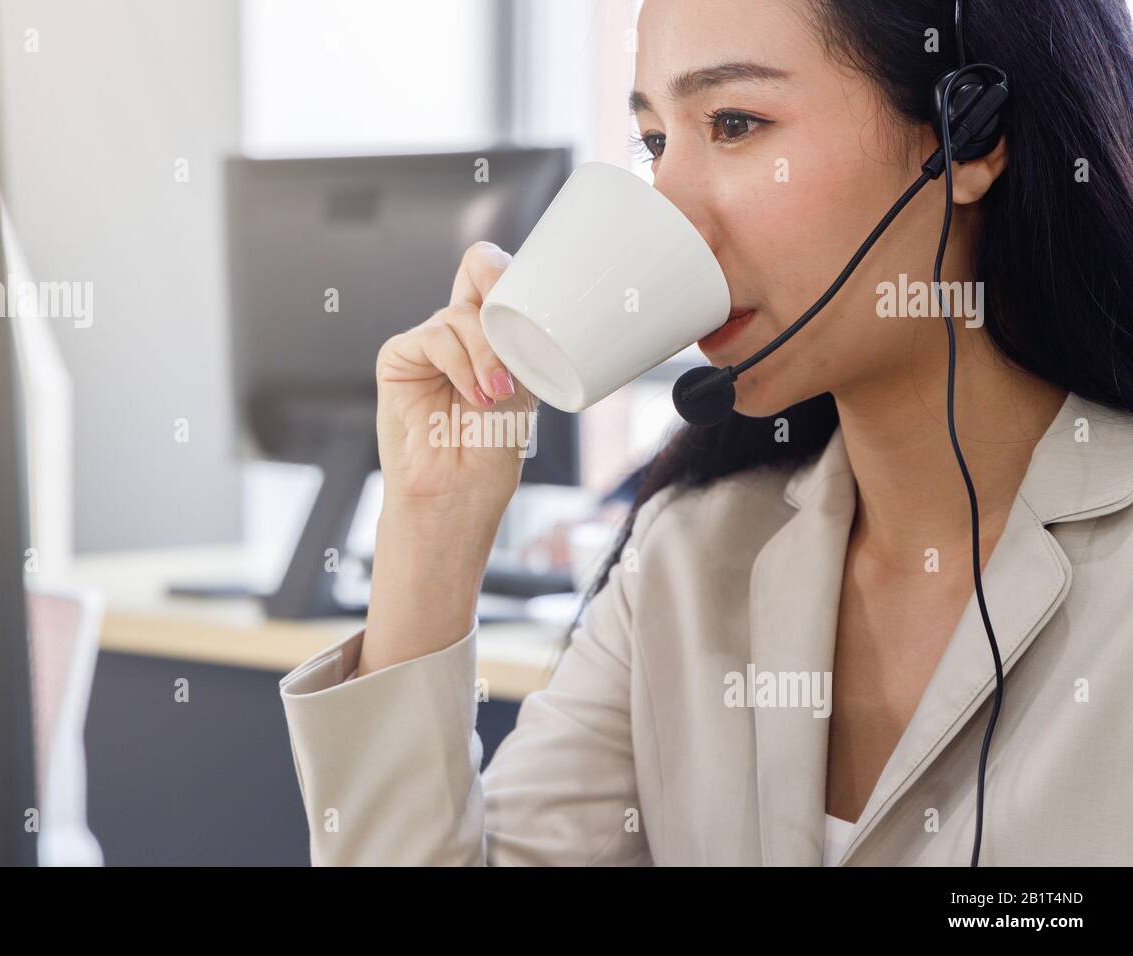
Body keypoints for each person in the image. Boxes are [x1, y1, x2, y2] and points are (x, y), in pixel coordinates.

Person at [277, 0, 1133, 865]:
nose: (670, 209)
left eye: (734, 123)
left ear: (967, 136)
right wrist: (432, 527)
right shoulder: (686, 557)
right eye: (655, 144)